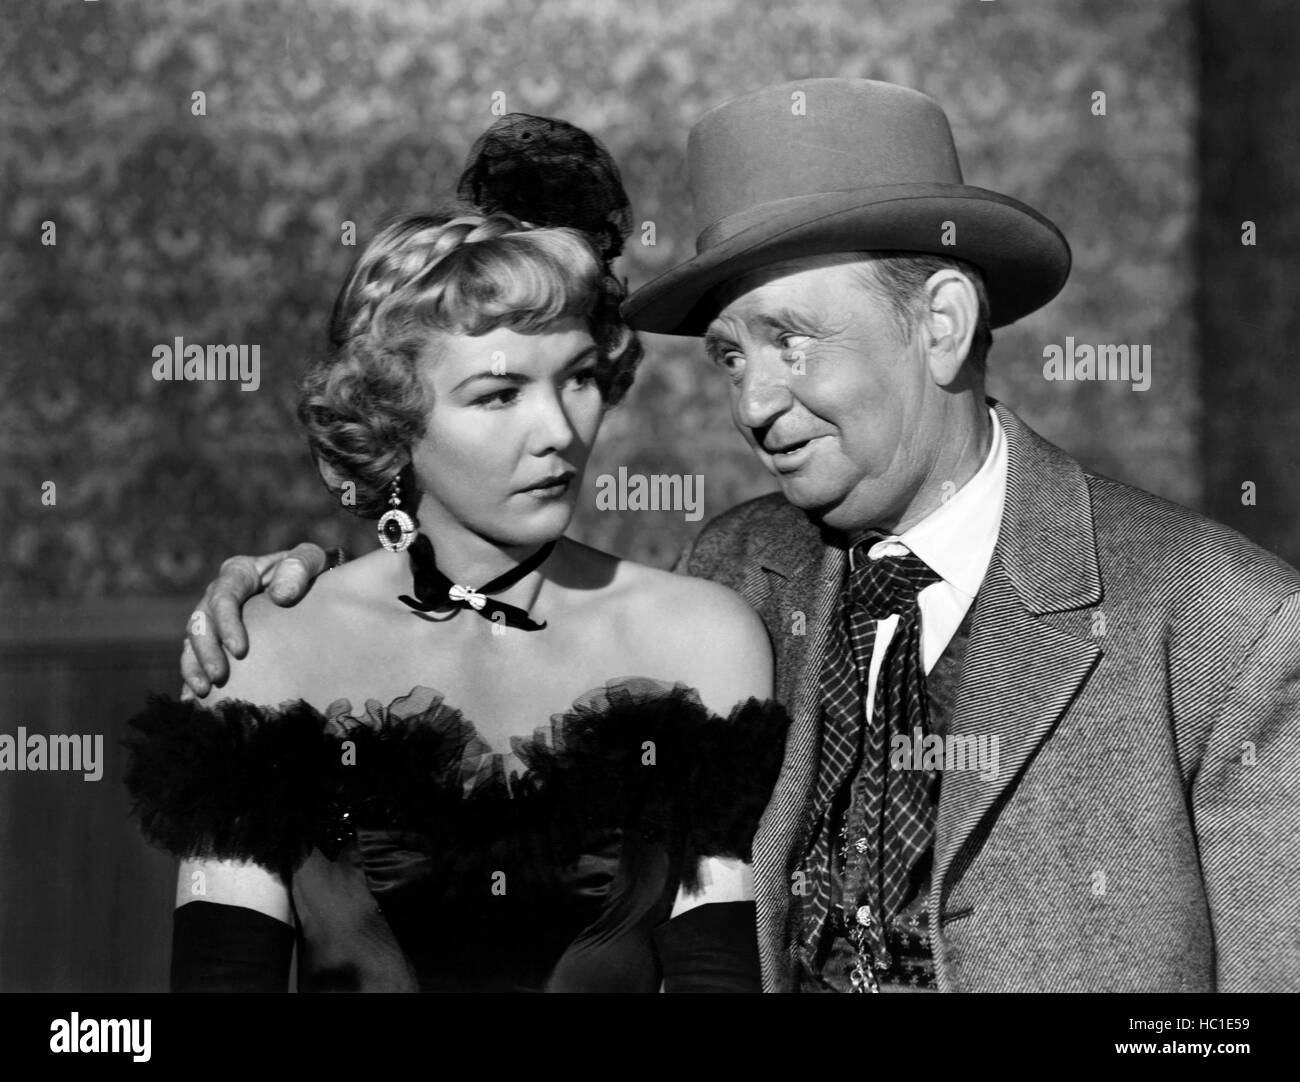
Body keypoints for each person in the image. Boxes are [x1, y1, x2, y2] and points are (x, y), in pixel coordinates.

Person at [178, 81, 1300, 994]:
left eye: (789, 340)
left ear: (943, 324)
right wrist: (303, 595)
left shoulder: (1221, 624)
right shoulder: (739, 575)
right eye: (728, 352)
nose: (753, 403)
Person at [125, 114, 788, 993]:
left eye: (579, 378)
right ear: (394, 421)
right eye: (498, 394)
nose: (559, 432)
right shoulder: (266, 649)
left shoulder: (703, 637)